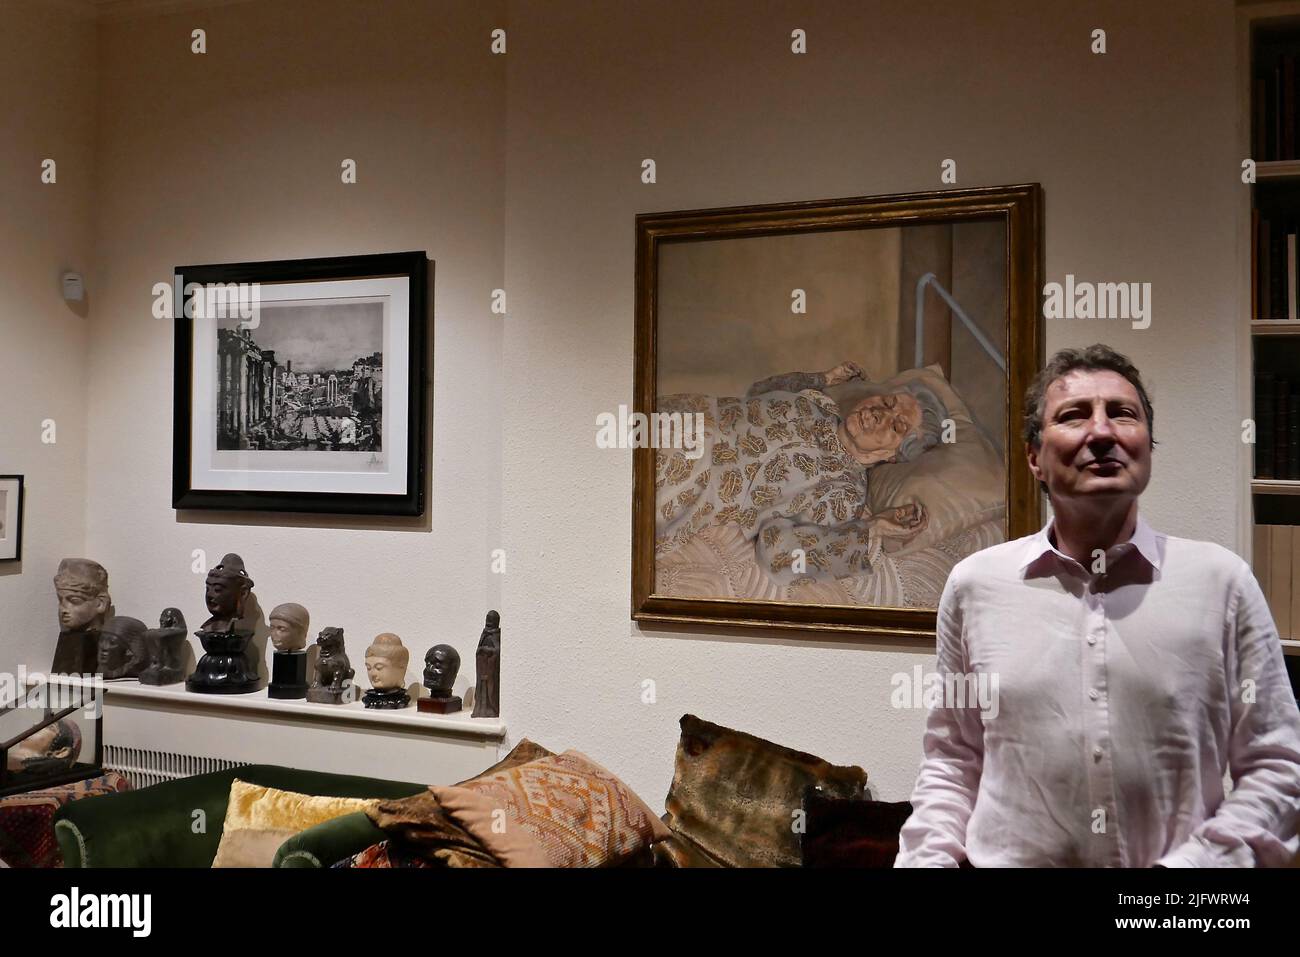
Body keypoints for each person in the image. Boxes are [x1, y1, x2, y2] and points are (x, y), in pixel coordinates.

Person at [896, 343, 1300, 867]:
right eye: (1074, 415)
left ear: (1147, 447)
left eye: (1122, 414)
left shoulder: (1222, 583)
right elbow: (953, 761)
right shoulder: (975, 585)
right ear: (1034, 457)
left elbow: (1278, 766)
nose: (1103, 432)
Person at [656, 361, 949, 585]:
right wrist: (824, 379)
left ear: (893, 456)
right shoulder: (818, 402)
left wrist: (873, 529)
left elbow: (779, 554)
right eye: (887, 403)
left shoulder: (843, 492)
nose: (880, 414)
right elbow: (758, 392)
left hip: (680, 473)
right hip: (669, 414)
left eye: (896, 427)